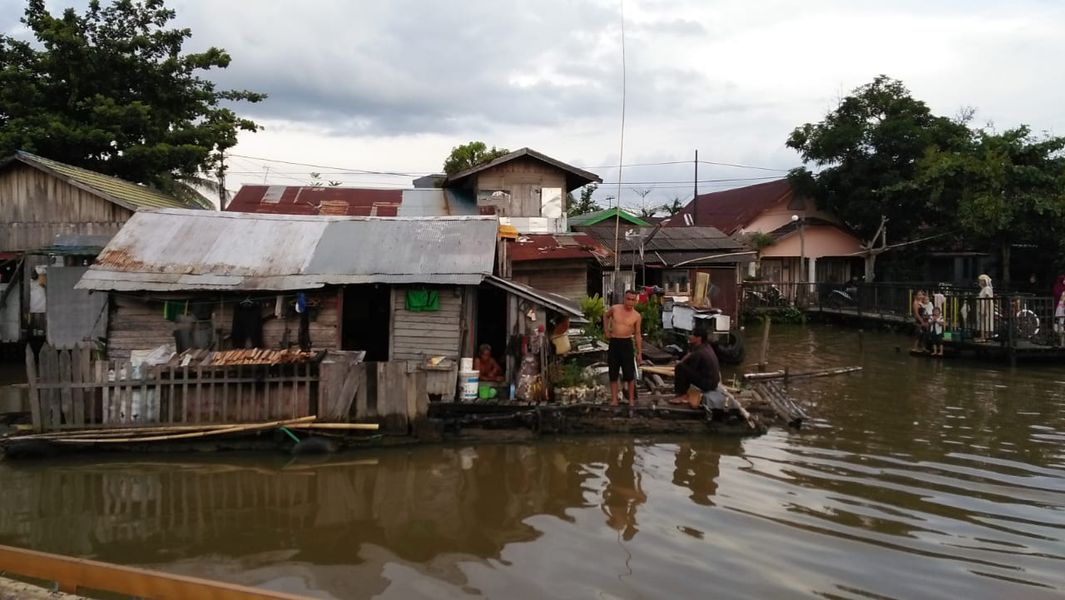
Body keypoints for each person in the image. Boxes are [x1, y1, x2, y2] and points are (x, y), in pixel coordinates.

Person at [603, 289, 643, 407]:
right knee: (613, 372)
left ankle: (631, 400)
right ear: (624, 299)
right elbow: (605, 316)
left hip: (627, 343)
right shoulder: (615, 309)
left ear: (635, 301)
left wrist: (639, 353)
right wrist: (606, 330)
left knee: (629, 374)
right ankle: (614, 399)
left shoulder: (636, 316)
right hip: (614, 342)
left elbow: (637, 334)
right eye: (628, 299)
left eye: (632, 300)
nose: (630, 302)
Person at [670, 327, 721, 408]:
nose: (690, 336)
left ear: (699, 338)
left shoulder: (699, 352)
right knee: (683, 367)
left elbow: (686, 367)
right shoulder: (706, 346)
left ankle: (682, 395)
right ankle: (683, 393)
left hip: (708, 384)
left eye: (693, 335)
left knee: (680, 368)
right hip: (713, 383)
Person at [976, 274, 994, 341]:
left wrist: (985, 309)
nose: (980, 282)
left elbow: (987, 299)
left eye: (981, 280)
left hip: (986, 307)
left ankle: (985, 337)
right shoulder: (983, 289)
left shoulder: (987, 288)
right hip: (982, 306)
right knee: (983, 322)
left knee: (986, 321)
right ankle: (983, 336)